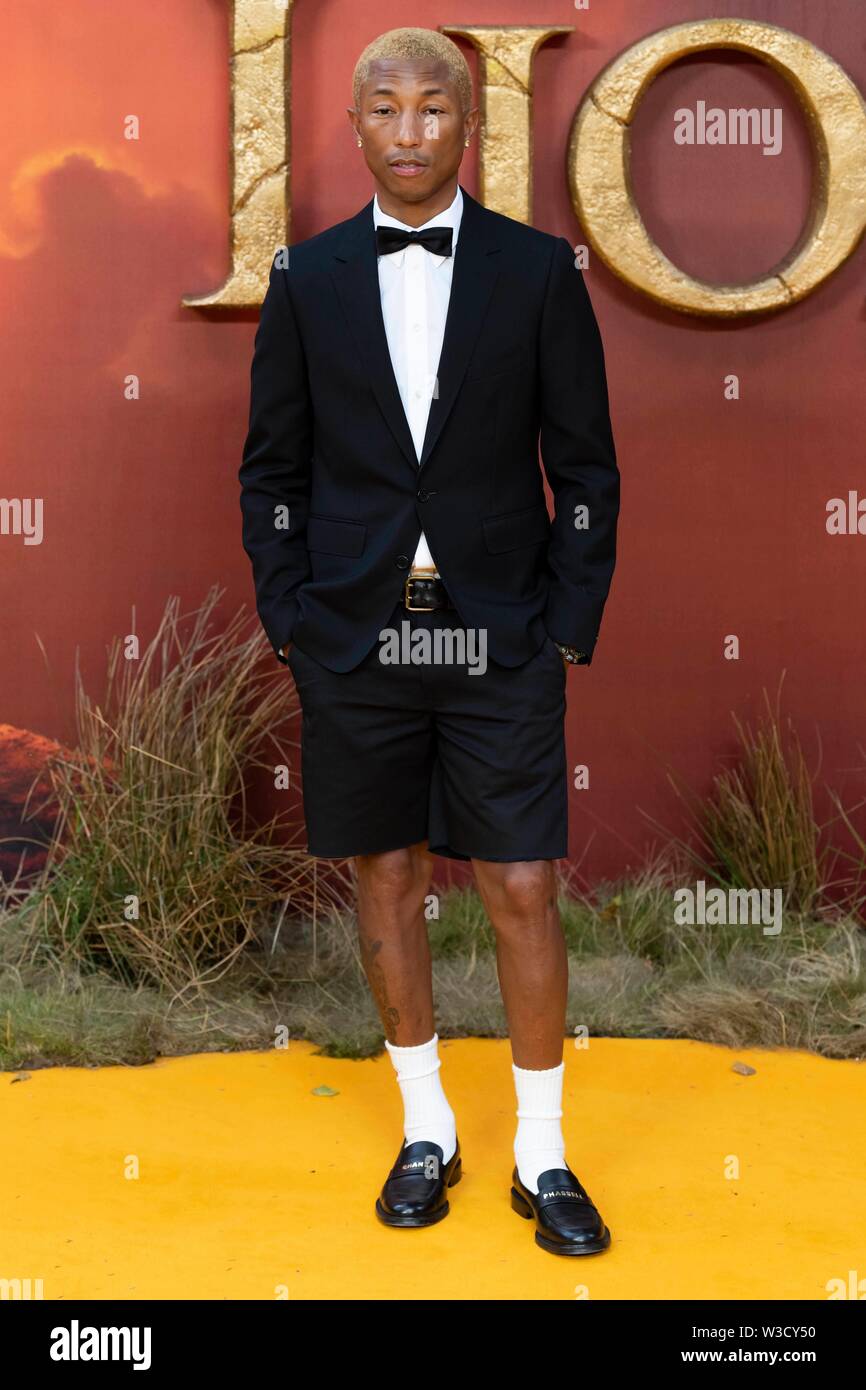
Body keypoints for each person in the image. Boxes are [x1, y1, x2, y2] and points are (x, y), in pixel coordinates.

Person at [239, 25, 620, 1256]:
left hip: (495, 632)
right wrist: (290, 614)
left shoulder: (537, 272)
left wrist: (565, 620)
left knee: (518, 883)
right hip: (354, 635)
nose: (410, 134)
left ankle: (543, 1153)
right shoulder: (307, 277)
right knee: (387, 877)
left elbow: (587, 469)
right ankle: (424, 1129)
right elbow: (271, 471)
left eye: (433, 111)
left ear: (470, 126)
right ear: (355, 129)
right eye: (386, 112)